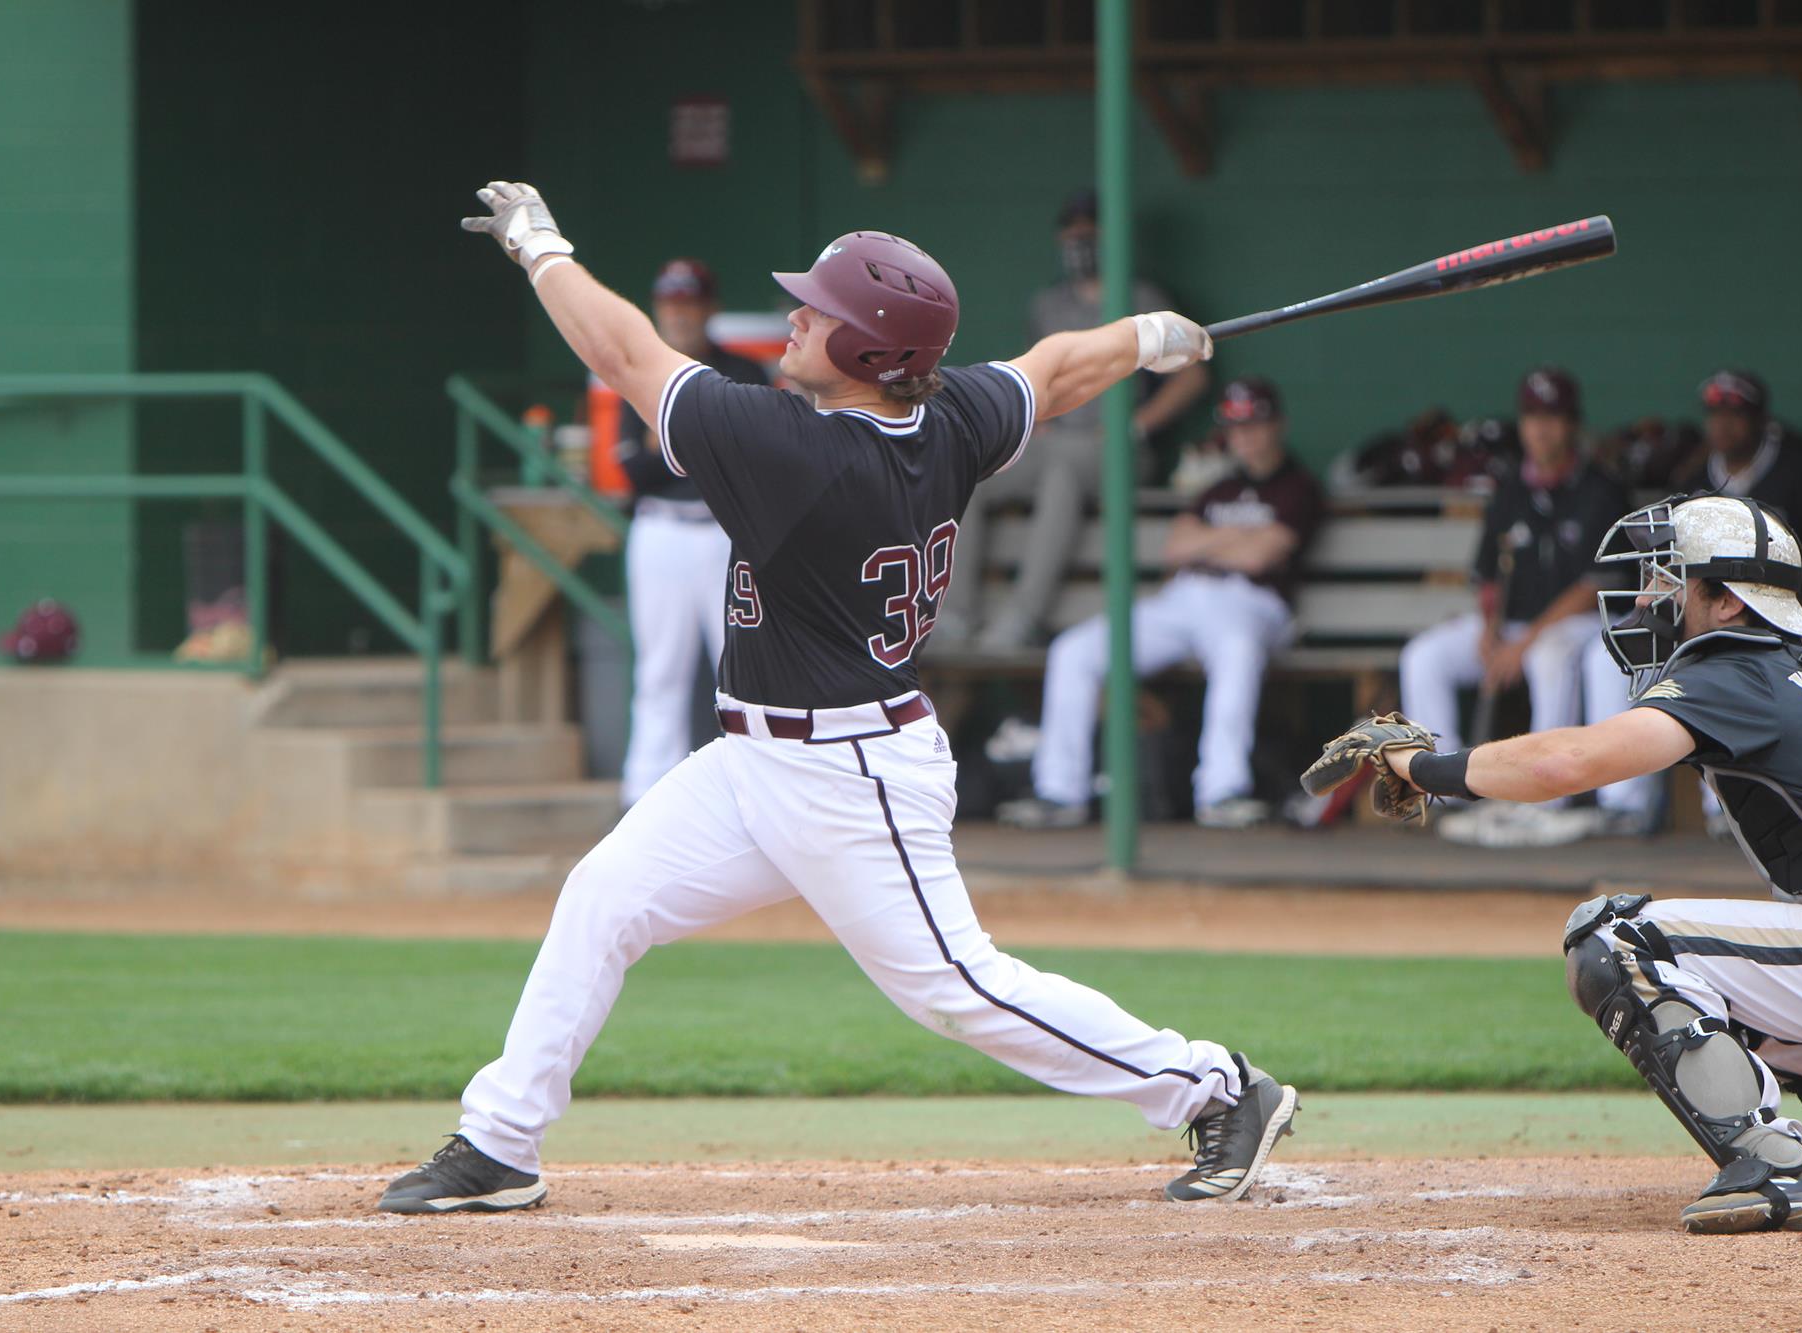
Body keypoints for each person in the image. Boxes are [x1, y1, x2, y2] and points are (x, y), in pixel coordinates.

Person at [376, 182, 1299, 1217]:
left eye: (817, 312)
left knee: (958, 986)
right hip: (754, 760)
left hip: (850, 774)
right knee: (603, 898)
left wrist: (542, 249)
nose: (793, 319)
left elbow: (625, 354)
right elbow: (1054, 369)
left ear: (870, 349)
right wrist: (1144, 336)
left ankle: (1217, 1086)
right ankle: (501, 1140)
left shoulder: (794, 452)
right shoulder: (949, 416)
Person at [1327, 493, 1802, 1233]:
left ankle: (1774, 1163)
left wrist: (1421, 766)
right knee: (1732, 991)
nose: (1650, 599)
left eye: (1672, 581)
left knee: (1619, 939)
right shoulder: (1791, 668)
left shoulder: (1736, 669)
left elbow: (1566, 762)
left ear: (1727, 602)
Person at [998, 377, 1323, 831]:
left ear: (1277, 425)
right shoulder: (1220, 487)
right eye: (1236, 426)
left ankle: (1221, 790)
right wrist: (1236, 538)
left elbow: (1259, 556)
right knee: (1073, 651)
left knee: (1237, 654)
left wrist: (1210, 542)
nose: (1244, 435)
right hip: (1184, 597)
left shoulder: (1297, 486)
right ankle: (1059, 791)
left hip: (1250, 603)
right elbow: (1175, 548)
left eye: (1254, 424)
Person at [935, 189, 1210, 652]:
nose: (1080, 245)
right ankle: (955, 615)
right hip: (1055, 439)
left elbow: (1194, 377)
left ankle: (1024, 617)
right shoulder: (1049, 304)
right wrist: (1036, 417)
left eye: (1090, 234)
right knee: (972, 473)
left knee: (1062, 473)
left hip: (1119, 447)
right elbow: (1039, 373)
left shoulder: (1142, 296)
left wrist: (1137, 423)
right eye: (1072, 235)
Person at [1397, 368, 1631, 846]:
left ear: (1572, 423)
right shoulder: (1511, 490)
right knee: (1425, 656)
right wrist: (1490, 632)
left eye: (1552, 417)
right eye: (1532, 417)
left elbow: (1591, 588)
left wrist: (1521, 644)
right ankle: (1440, 787)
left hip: (1584, 623)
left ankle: (1546, 800)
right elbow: (1489, 579)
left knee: (1549, 655)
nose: (1541, 428)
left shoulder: (1600, 489)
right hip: (1516, 625)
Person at [1580, 370, 1802, 838]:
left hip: (1785, 613)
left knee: (1728, 674)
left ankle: (1731, 810)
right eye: (1714, 413)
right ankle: (1626, 807)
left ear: (1759, 418)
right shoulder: (1694, 476)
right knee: (1613, 658)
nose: (1722, 424)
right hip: (1715, 614)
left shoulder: (1800, 470)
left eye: (1734, 413)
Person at [613, 259, 769, 805]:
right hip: (661, 529)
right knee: (660, 672)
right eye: (671, 304)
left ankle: (753, 796)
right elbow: (636, 472)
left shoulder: (743, 371)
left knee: (745, 670)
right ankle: (644, 798)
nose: (679, 315)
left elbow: (755, 462)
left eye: (690, 303)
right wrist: (702, 440)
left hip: (726, 533)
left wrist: (674, 441)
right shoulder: (642, 372)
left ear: (710, 308)